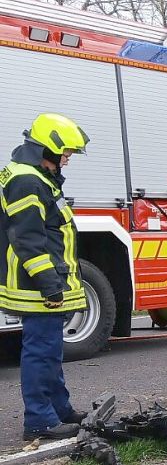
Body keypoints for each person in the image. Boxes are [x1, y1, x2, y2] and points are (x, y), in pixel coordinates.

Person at [1, 113, 90, 440]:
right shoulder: (28, 181)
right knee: (41, 352)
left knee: (50, 350)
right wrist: (51, 285)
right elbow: (27, 239)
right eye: (65, 152)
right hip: (36, 287)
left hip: (39, 284)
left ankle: (59, 410)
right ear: (47, 149)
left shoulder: (31, 174)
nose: (67, 159)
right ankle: (40, 421)